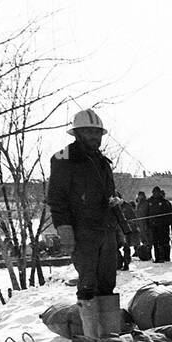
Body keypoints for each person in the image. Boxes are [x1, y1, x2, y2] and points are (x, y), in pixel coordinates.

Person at [47, 108, 118, 301]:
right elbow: (56, 197)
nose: (94, 136)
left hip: (106, 229)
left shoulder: (102, 161)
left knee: (107, 283)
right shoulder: (64, 158)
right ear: (77, 134)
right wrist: (64, 228)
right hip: (82, 231)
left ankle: (108, 330)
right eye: (88, 132)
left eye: (97, 133)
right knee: (88, 284)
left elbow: (108, 194)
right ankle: (92, 330)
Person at [148, 185, 172, 262]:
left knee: (165, 241)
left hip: (163, 225)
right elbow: (146, 213)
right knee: (155, 242)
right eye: (154, 192)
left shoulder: (165, 202)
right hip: (153, 225)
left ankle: (166, 257)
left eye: (157, 192)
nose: (155, 194)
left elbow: (170, 214)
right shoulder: (149, 202)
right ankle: (157, 257)